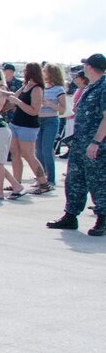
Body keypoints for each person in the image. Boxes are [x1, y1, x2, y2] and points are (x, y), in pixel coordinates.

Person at [47, 53, 106, 236]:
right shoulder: (91, 86)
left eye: (85, 65)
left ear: (89, 67)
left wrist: (96, 142)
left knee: (98, 181)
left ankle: (103, 218)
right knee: (75, 179)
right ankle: (70, 215)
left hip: (96, 145)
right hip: (81, 143)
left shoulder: (103, 87)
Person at [1, 62, 48, 196]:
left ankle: (43, 183)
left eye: (26, 70)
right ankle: (16, 183)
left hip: (28, 126)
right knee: (15, 154)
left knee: (28, 155)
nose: (23, 72)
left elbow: (34, 111)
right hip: (16, 123)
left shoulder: (37, 89)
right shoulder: (25, 86)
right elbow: (12, 98)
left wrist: (19, 103)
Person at [37, 64, 68, 189]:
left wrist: (49, 104)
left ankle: (50, 179)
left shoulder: (59, 89)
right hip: (38, 120)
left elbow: (62, 109)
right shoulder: (41, 87)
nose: (42, 72)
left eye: (45, 71)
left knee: (47, 150)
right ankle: (41, 178)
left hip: (51, 120)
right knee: (38, 151)